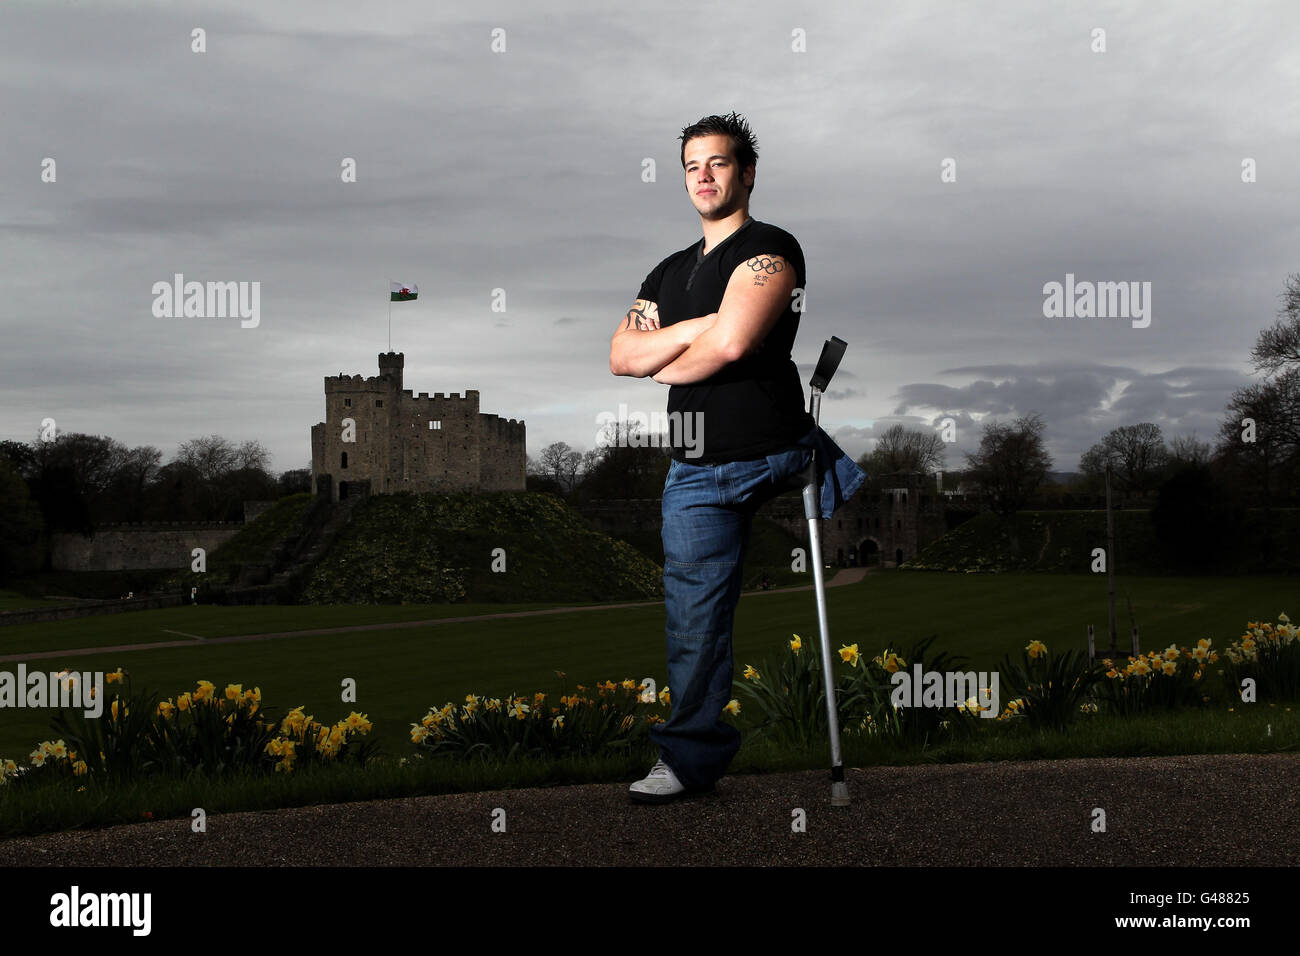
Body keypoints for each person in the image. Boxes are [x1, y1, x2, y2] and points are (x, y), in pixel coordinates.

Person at [609, 111, 865, 803]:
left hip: (775, 449)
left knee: (806, 496)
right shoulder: (665, 272)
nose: (703, 175)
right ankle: (690, 762)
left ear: (746, 173)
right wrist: (702, 325)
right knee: (693, 620)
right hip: (694, 466)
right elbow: (621, 355)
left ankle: (837, 474)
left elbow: (731, 347)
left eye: (718, 163)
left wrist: (674, 352)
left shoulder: (771, 250)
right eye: (692, 165)